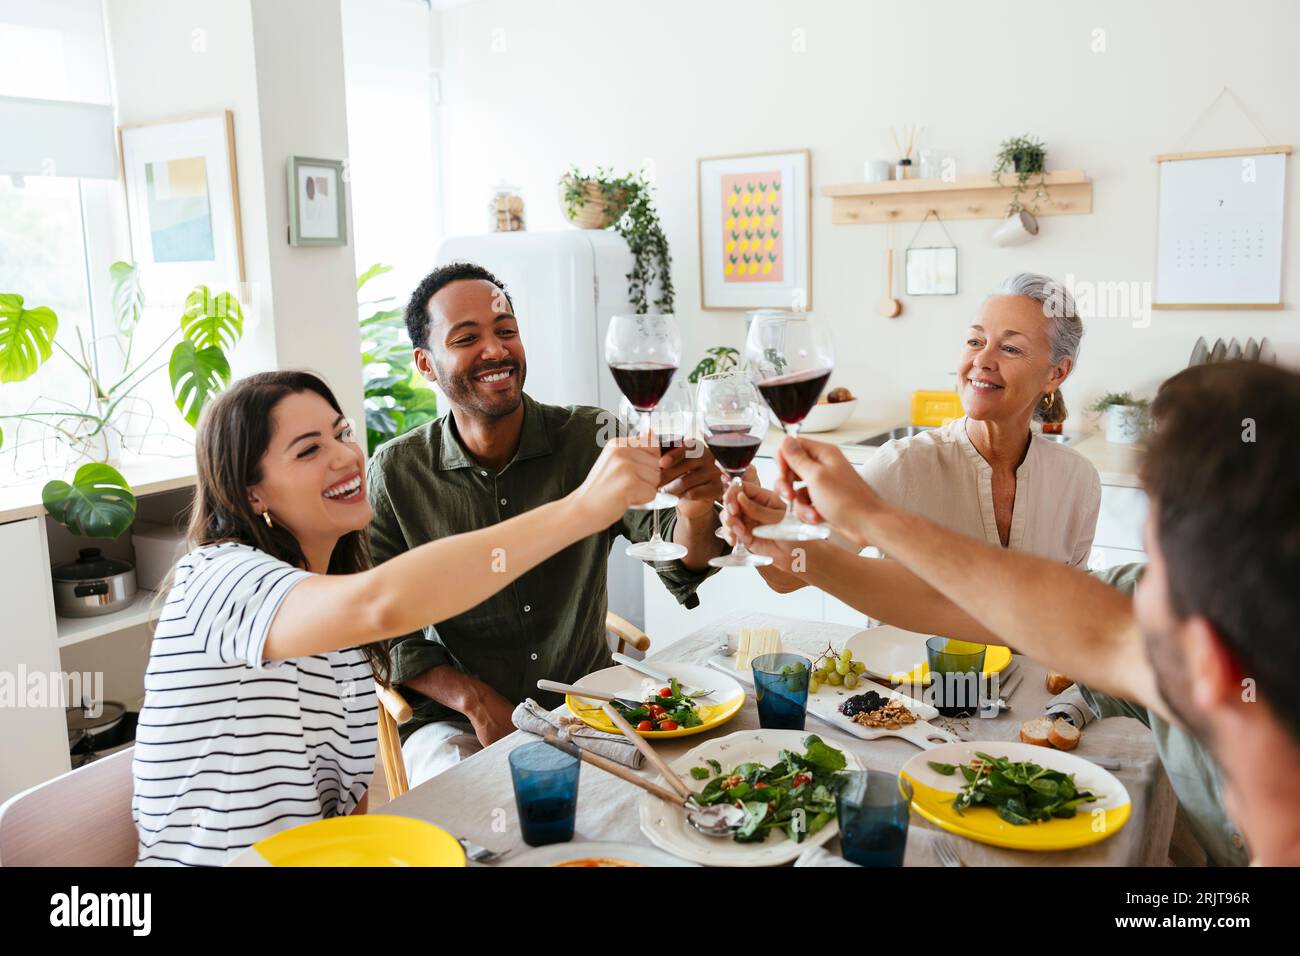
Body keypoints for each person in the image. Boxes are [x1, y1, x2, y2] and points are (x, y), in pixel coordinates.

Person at [726, 360, 1300, 866]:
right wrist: (833, 536)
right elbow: (954, 602)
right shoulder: (1190, 625)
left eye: (1160, 566)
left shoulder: (1170, 641)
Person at [132, 370, 663, 865]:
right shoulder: (218, 579)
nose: (344, 456)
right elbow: (382, 602)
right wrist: (583, 509)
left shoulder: (334, 613)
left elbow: (346, 805)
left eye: (341, 434)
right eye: (309, 449)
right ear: (252, 491)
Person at [367, 262, 727, 784]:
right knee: (474, 814)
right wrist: (474, 699)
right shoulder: (397, 473)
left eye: (506, 331)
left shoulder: (590, 437)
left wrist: (695, 509)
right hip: (458, 720)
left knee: (673, 794)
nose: (496, 350)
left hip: (587, 701)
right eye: (467, 338)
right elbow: (384, 631)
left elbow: (681, 558)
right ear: (425, 364)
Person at [755, 273, 1098, 605]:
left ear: (1056, 372)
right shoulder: (902, 466)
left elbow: (1074, 604)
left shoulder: (1077, 481)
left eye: (1010, 348)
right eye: (975, 341)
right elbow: (788, 577)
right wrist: (761, 524)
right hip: (913, 666)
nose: (981, 360)